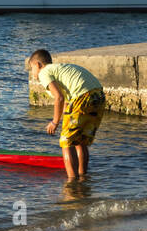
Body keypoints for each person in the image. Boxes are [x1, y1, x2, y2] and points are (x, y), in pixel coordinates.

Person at [26, 49, 105, 181]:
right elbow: (67, 104)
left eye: (31, 67)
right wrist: (63, 122)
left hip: (82, 96)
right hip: (98, 96)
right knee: (80, 141)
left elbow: (59, 98)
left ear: (38, 65)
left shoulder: (44, 72)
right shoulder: (59, 70)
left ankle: (72, 183)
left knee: (66, 142)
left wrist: (55, 122)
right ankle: (82, 177)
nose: (31, 72)